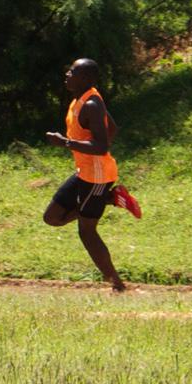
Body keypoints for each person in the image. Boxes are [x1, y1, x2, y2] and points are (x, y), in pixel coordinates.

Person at [43, 58, 140, 292]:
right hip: (85, 172)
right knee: (52, 217)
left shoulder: (92, 105)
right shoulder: (82, 98)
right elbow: (112, 129)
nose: (67, 74)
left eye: (72, 72)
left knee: (87, 231)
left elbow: (101, 146)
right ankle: (109, 197)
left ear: (85, 79)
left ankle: (117, 285)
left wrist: (65, 142)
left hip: (97, 176)